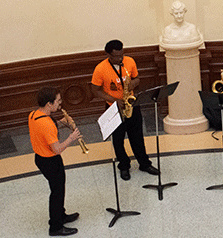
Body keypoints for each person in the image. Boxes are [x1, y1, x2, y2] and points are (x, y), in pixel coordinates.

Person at [91, 40, 159, 180]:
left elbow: (137, 79)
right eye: (117, 56)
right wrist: (114, 99)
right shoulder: (100, 69)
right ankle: (124, 166)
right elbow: (95, 90)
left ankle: (144, 163)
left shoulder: (130, 62)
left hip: (132, 104)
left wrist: (133, 83)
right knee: (118, 140)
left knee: (137, 136)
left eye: (122, 54)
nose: (120, 58)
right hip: (114, 108)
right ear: (108, 54)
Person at [29, 86, 82, 236]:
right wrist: (71, 138)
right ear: (49, 104)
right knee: (57, 192)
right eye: (58, 101)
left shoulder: (34, 115)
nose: (60, 103)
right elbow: (57, 149)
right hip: (50, 161)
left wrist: (62, 121)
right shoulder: (47, 124)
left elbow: (45, 129)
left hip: (40, 158)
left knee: (58, 189)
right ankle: (55, 227)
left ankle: (61, 215)